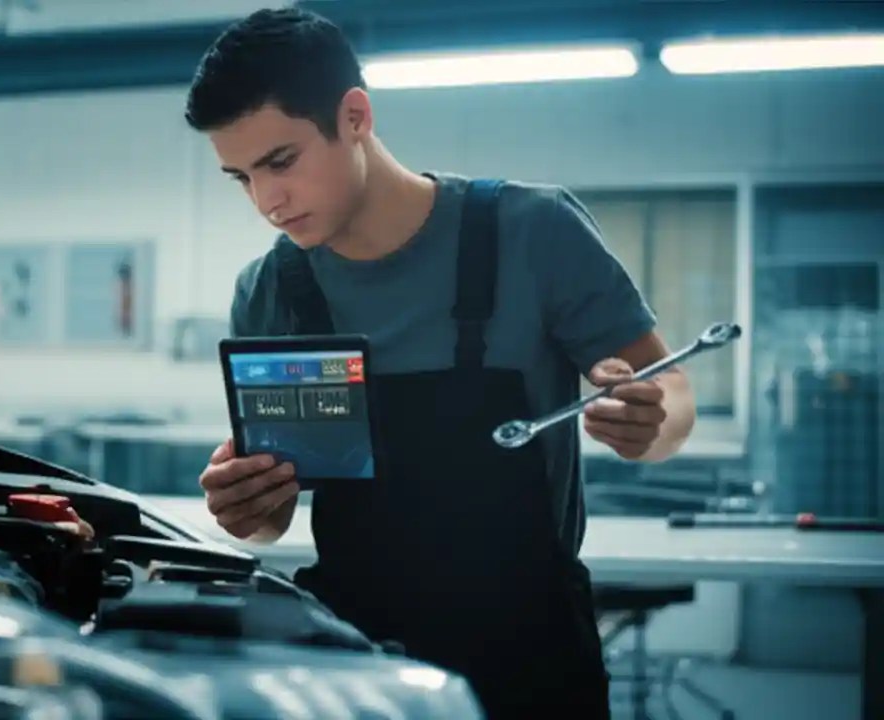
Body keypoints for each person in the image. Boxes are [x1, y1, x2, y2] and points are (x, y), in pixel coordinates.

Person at [184, 7, 696, 719]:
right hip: (357, 663)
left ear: (355, 116)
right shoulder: (272, 290)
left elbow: (672, 399)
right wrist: (250, 506)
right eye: (240, 178)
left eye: (281, 162)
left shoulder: (533, 233)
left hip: (529, 658)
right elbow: (276, 517)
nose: (267, 202)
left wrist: (652, 420)